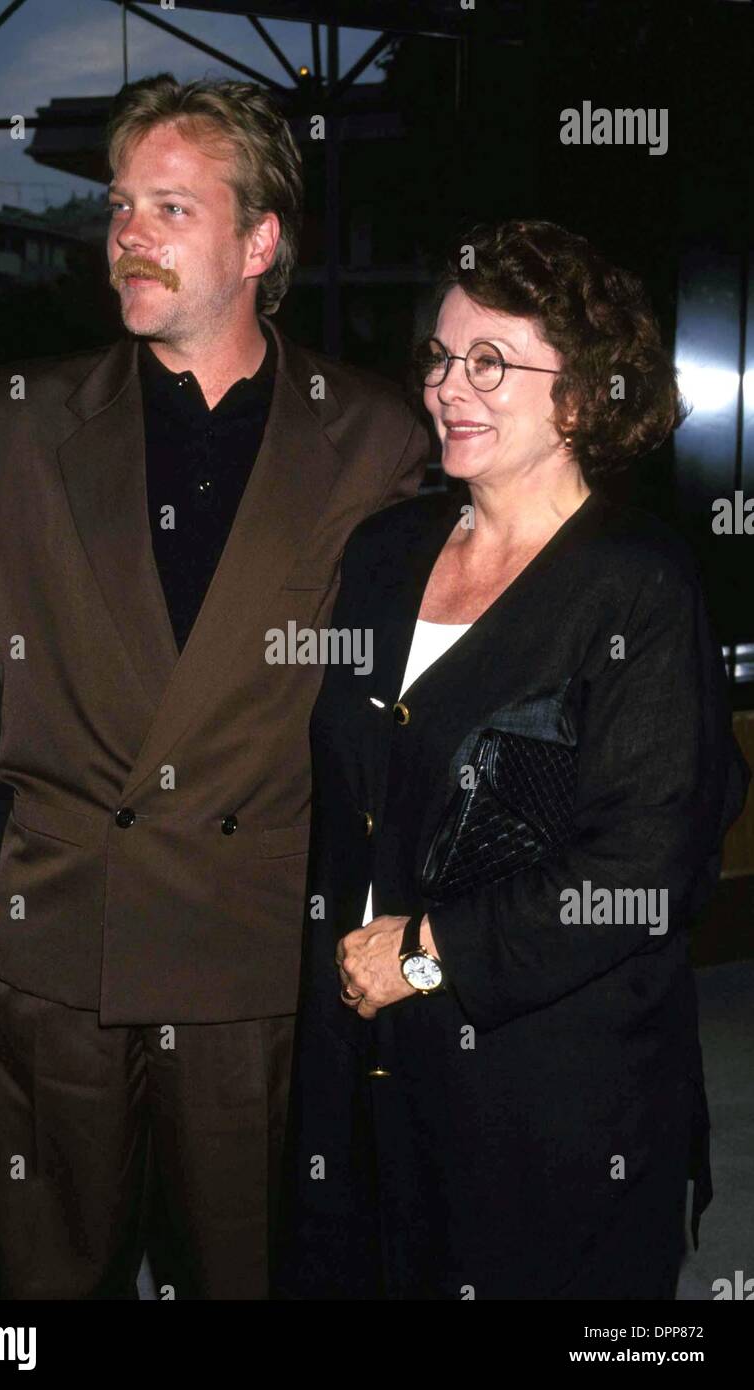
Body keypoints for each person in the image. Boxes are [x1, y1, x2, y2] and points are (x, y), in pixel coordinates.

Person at [0, 75, 430, 1299]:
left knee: (243, 1276)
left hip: (252, 970)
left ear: (257, 241)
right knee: (44, 1282)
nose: (126, 231)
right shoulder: (19, 422)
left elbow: (438, 677)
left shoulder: (375, 438)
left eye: (169, 208)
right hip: (57, 950)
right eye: (121, 205)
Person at [276, 219, 751, 1300]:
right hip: (370, 1068)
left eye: (491, 362)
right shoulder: (385, 553)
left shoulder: (635, 589)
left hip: (550, 1097)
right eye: (441, 357)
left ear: (580, 399)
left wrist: (431, 949)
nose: (450, 386)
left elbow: (642, 877)